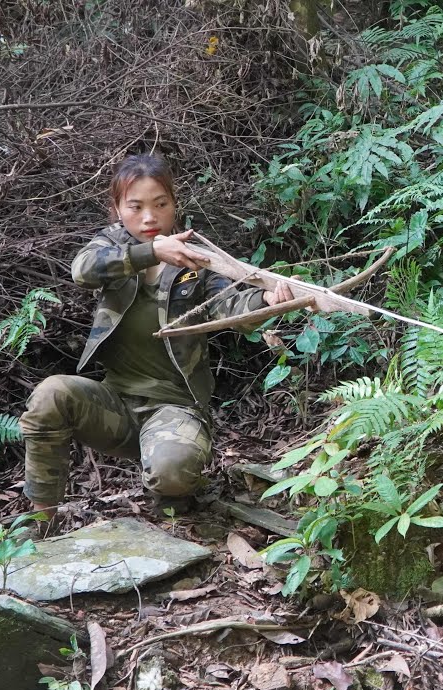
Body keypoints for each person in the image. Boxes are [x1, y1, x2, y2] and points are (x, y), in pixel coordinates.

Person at [19, 154, 294, 521]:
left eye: (160, 204)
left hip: (174, 409)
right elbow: (82, 271)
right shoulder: (111, 246)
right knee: (51, 394)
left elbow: (232, 307)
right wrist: (150, 252)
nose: (149, 217)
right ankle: (41, 520)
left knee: (173, 470)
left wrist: (266, 300)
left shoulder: (200, 259)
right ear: (117, 208)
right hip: (113, 407)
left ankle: (174, 504)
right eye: (136, 206)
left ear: (174, 205)